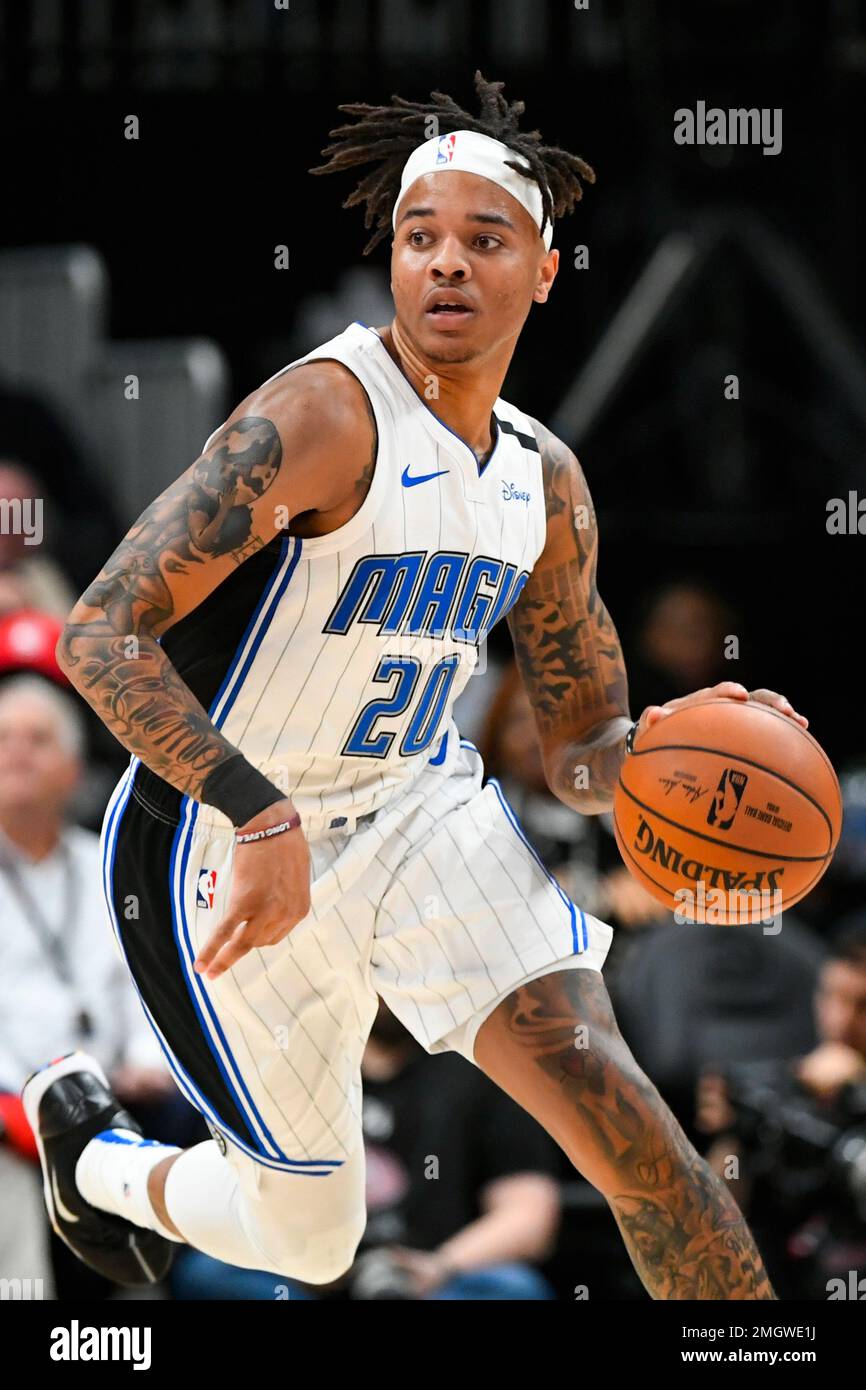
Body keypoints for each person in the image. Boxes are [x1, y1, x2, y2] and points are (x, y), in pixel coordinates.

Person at [23, 71, 804, 1300]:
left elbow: (580, 743)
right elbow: (99, 635)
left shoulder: (542, 482)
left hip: (414, 812)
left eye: (480, 239)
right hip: (220, 829)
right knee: (311, 1239)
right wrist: (259, 808)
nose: (443, 263)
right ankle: (101, 1169)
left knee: (638, 1140)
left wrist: (671, 749)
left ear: (542, 271)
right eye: (417, 238)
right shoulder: (325, 412)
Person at [0, 675, 172, 1295]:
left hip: (116, 1096)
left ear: (73, 771)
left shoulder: (110, 863)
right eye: (3, 738)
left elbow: (149, 982)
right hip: (9, 1107)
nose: (17, 751)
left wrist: (146, 1064)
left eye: (38, 739)